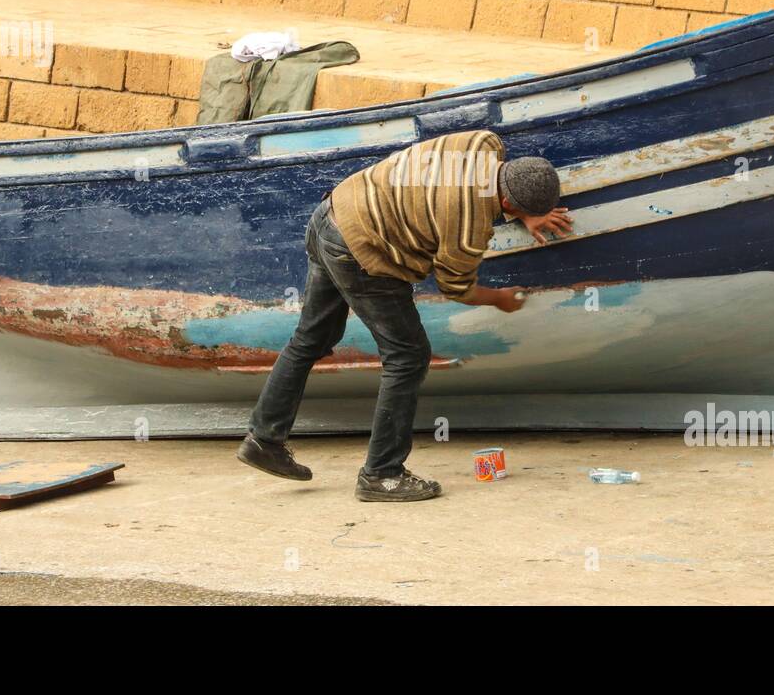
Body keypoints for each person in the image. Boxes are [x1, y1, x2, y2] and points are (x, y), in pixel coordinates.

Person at [238, 129, 571, 502]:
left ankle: (264, 439)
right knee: (408, 356)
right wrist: (499, 299)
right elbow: (456, 287)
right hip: (362, 252)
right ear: (510, 205)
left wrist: (523, 213)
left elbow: (496, 188)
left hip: (333, 213)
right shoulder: (467, 227)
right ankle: (382, 474)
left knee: (311, 338)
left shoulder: (484, 144)